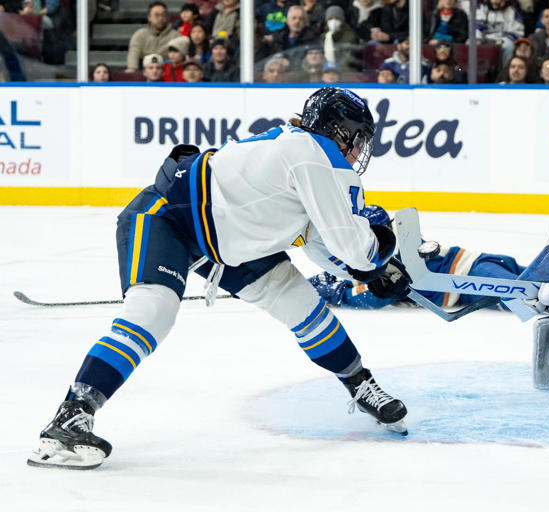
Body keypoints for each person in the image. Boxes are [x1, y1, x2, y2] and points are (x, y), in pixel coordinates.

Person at [27, 87, 410, 470]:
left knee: (302, 305)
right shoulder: (312, 155)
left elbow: (320, 242)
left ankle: (360, 385)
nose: (361, 151)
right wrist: (379, 253)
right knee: (152, 314)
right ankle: (70, 418)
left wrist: (364, 272)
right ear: (339, 131)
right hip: (167, 218)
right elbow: (354, 245)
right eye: (358, 139)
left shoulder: (306, 154)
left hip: (230, 242)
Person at [309, 205, 526, 311]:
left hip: (472, 270)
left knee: (523, 295)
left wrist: (340, 294)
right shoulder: (384, 253)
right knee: (530, 292)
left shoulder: (399, 251)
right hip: (465, 292)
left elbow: (376, 295)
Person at [126, 1, 181, 72]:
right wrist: (132, 69)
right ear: (149, 17)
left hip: (169, 71)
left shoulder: (176, 35)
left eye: (163, 15)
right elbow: (133, 54)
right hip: (145, 71)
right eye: (157, 15)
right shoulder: (140, 34)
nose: (161, 18)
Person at [474, 0, 525, 68]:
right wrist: (477, 38)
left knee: (508, 46)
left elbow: (518, 32)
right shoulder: (483, 6)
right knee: (471, 43)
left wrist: (502, 40)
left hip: (504, 40)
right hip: (484, 40)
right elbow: (477, 26)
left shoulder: (513, 9)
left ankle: (505, 71)